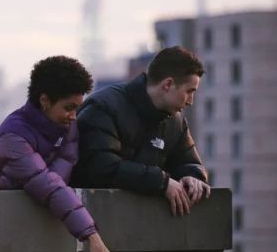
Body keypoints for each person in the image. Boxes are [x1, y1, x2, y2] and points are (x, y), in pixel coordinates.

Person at [0, 56, 115, 252]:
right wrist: (91, 236)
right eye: (69, 107)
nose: (74, 116)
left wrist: (6, 181)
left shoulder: (66, 125)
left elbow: (52, 177)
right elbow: (48, 183)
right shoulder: (13, 137)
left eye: (77, 108)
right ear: (45, 101)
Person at [71, 46, 210, 216]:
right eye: (189, 91)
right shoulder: (104, 107)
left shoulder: (176, 122)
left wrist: (192, 177)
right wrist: (161, 182)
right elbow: (102, 167)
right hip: (91, 219)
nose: (191, 101)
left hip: (143, 224)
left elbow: (189, 163)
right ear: (168, 84)